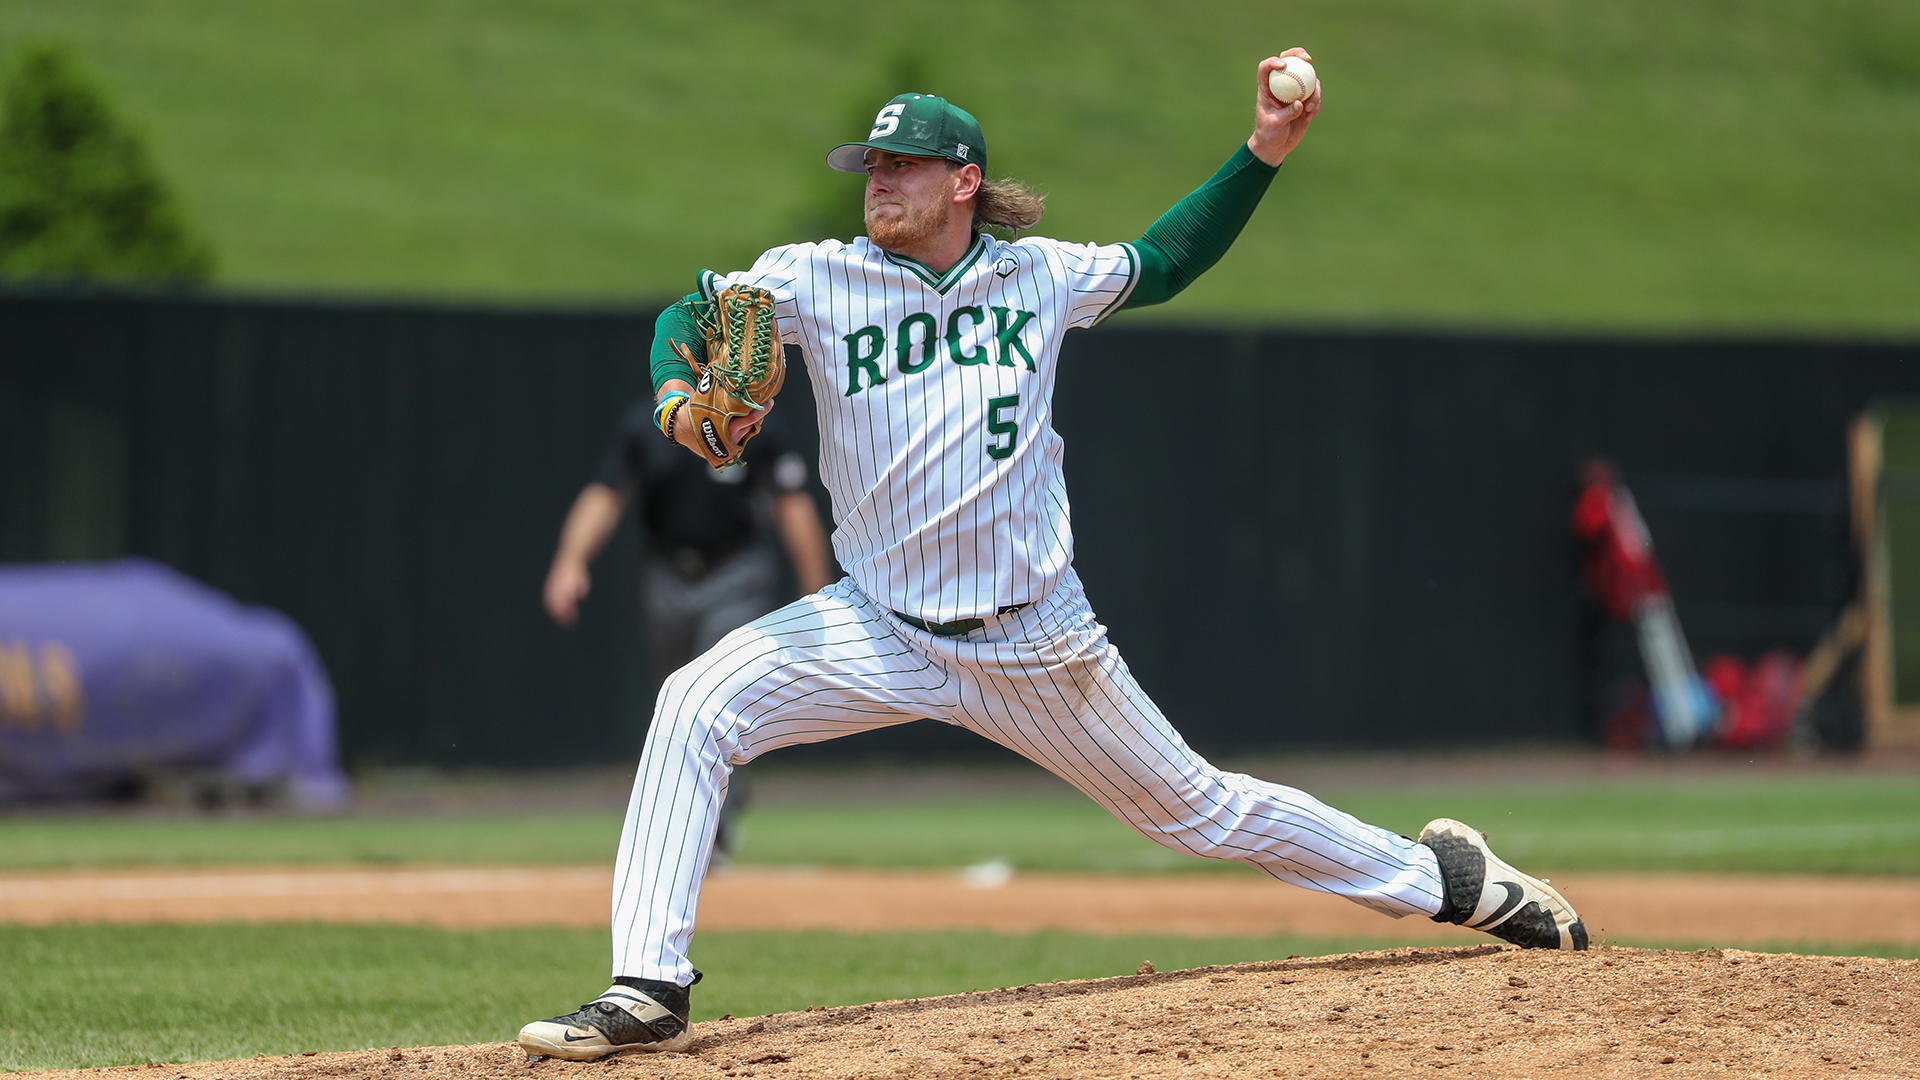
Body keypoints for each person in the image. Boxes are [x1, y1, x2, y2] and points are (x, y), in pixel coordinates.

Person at [519, 50, 1587, 1061]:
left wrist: (1262, 149)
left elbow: (1165, 261)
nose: (878, 182)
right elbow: (697, 312)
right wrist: (676, 392)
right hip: (876, 621)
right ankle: (647, 988)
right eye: (871, 166)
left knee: (1201, 812)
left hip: (1035, 641)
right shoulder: (816, 279)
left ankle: (1445, 878)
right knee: (695, 707)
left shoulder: (1039, 276)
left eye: (902, 167)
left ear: (964, 181)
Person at [545, 402, 834, 855]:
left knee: (718, 691)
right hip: (666, 578)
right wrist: (570, 561)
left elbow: (792, 506)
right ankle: (696, 808)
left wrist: (817, 590)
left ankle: (709, 832)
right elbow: (605, 494)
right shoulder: (646, 425)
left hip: (736, 574)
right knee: (673, 697)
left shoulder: (753, 422)